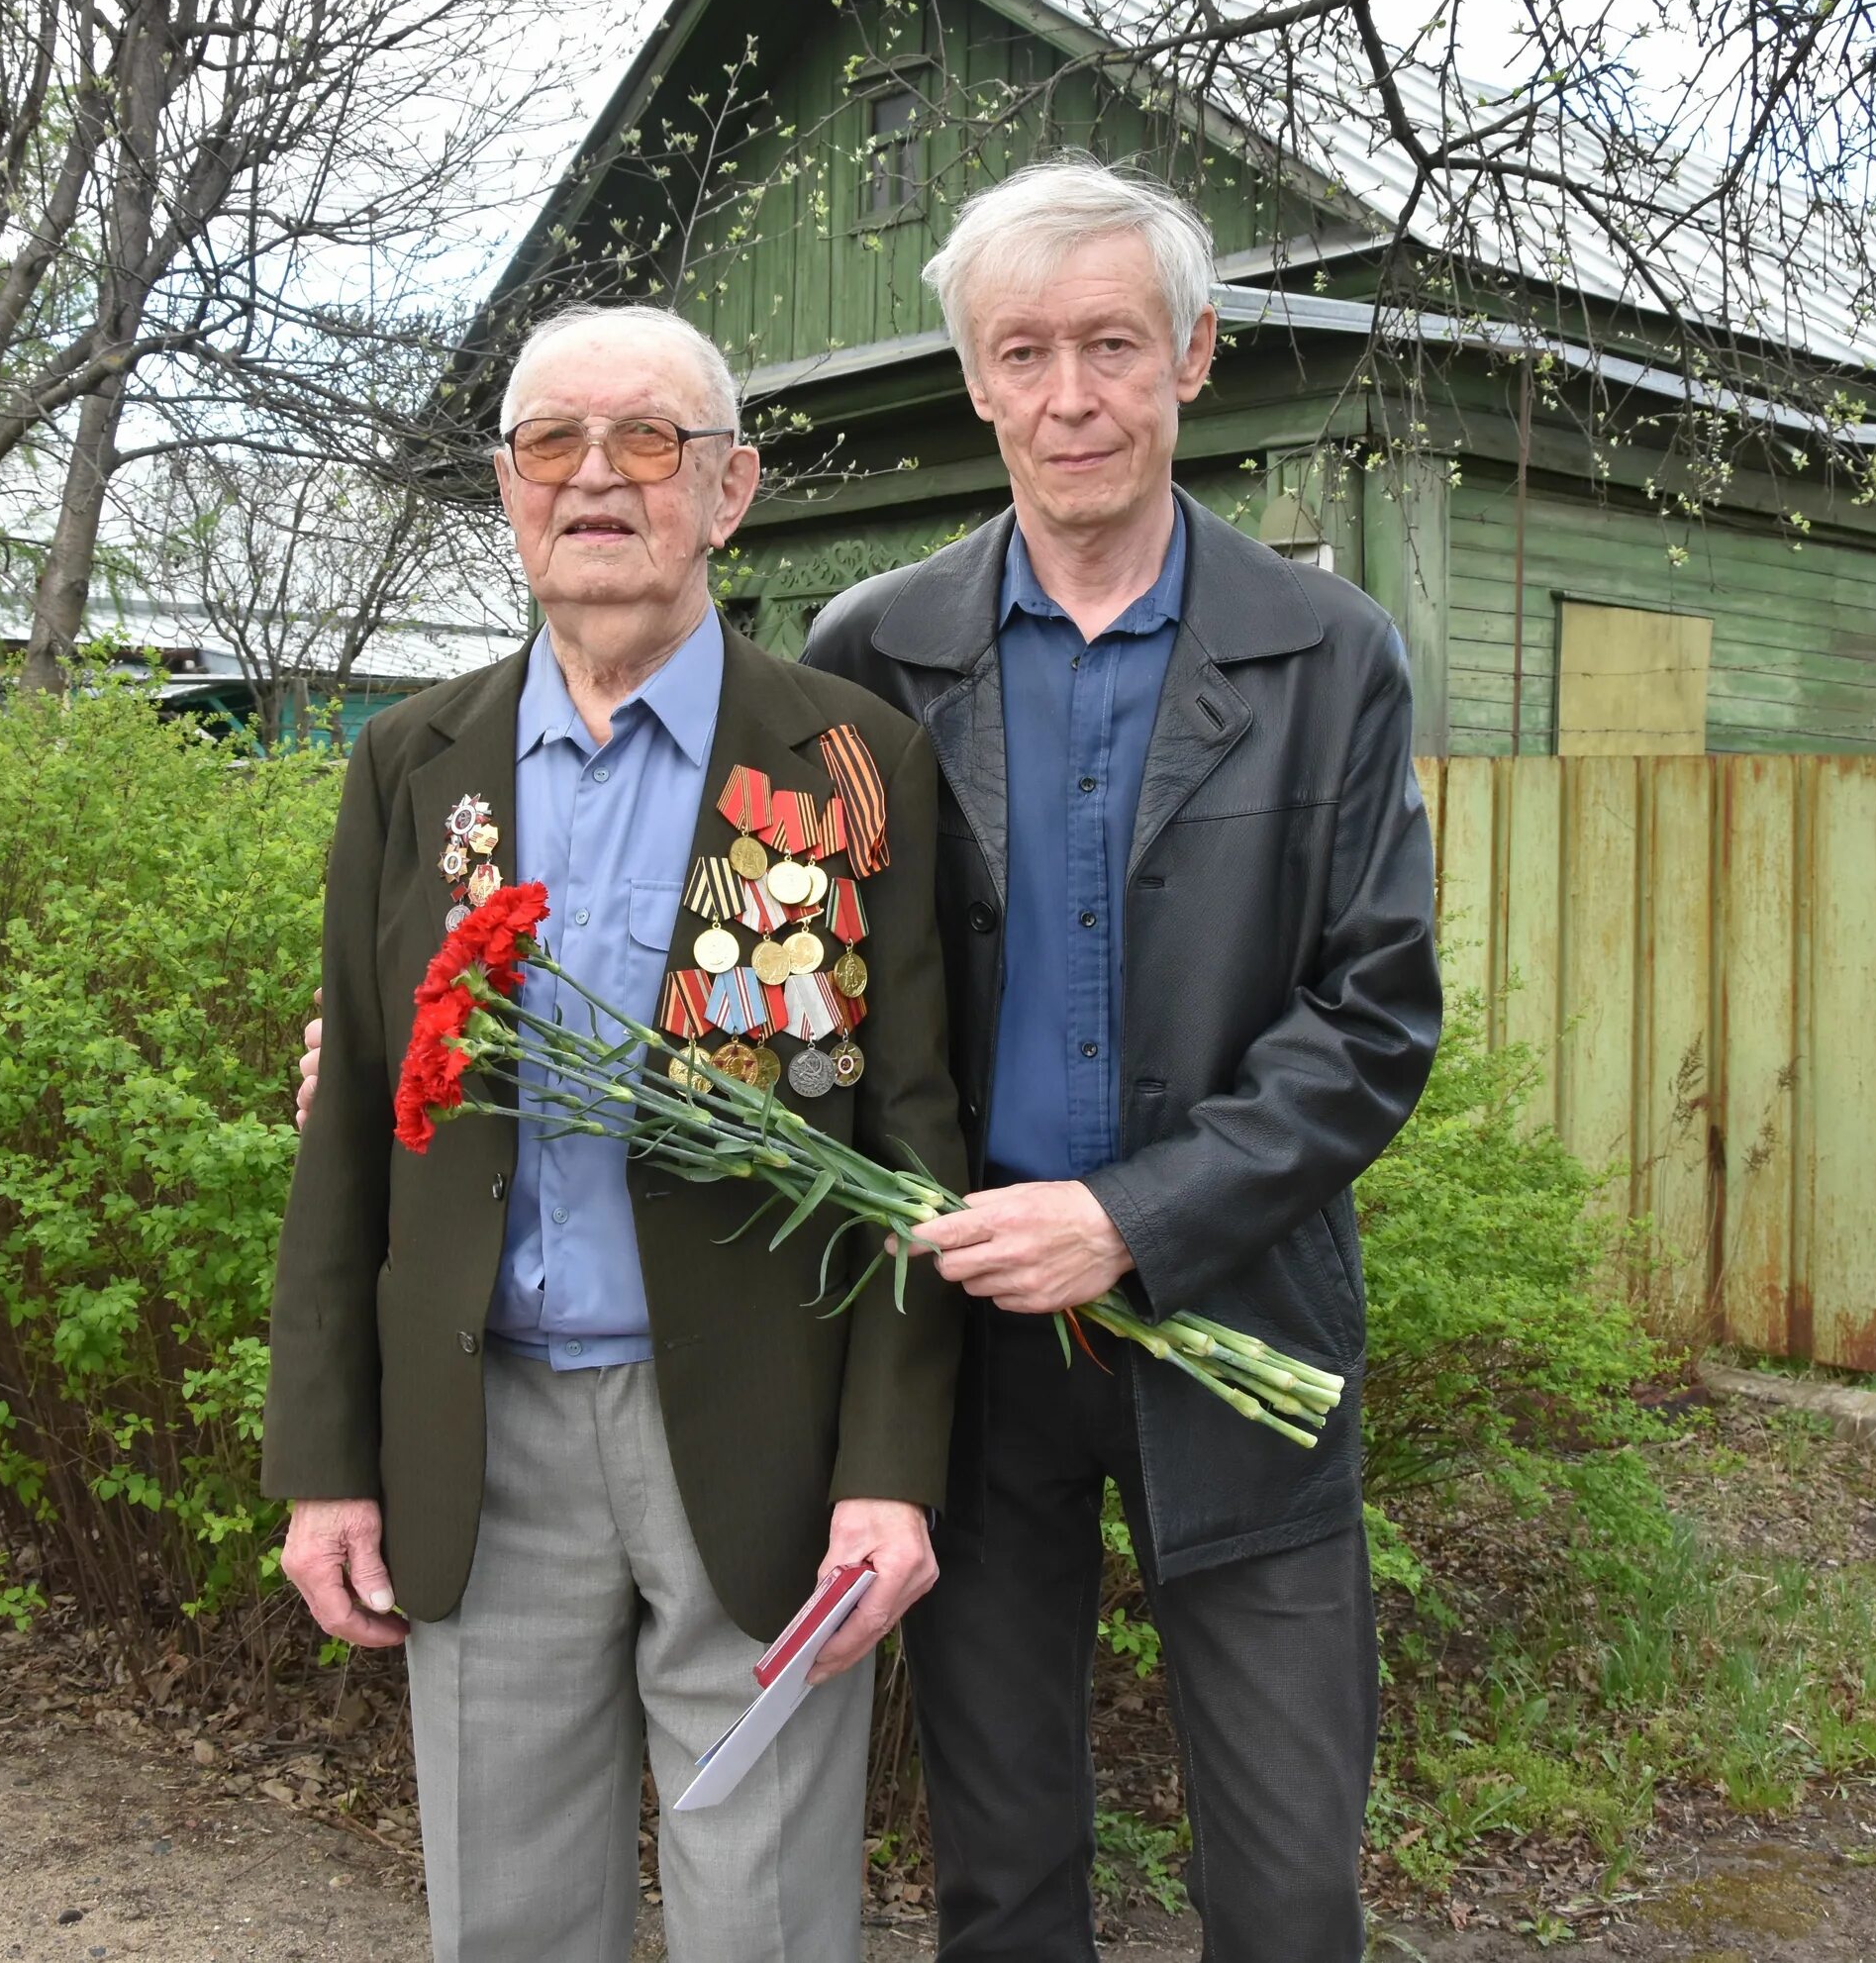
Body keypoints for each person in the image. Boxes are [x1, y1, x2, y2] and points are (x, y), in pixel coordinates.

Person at [262, 302, 968, 1963]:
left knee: (772, 1925)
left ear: (729, 491)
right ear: (507, 492)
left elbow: (914, 1136)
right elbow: (353, 1134)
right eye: (550, 446)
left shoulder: (856, 763)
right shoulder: (408, 762)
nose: (596, 479)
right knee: (504, 1918)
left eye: (647, 441)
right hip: (479, 1437)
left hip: (759, 1436)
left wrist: (888, 1475)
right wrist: (323, 1468)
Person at [798, 157, 1441, 1963]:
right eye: (1025, 352)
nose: (1068, 396)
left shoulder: (1328, 654)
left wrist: (1136, 1218)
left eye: (1110, 344)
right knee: (999, 1873)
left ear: (1193, 356)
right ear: (978, 380)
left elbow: (1374, 1014)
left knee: (1291, 1876)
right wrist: (428, 1025)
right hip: (968, 1332)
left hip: (1239, 1317)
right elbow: (786, 975)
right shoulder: (875, 654)